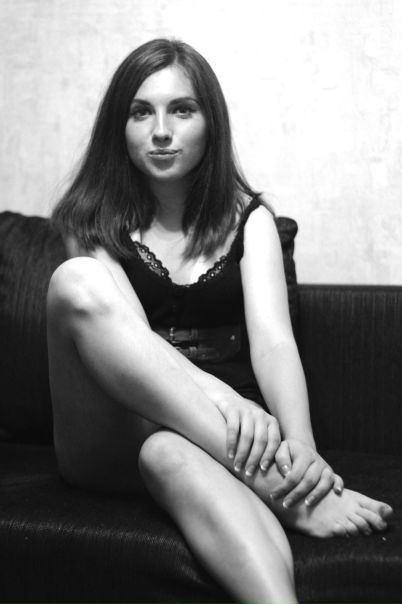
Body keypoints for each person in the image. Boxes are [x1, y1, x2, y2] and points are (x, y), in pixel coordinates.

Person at [47, 38, 392, 604]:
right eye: (141, 112)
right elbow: (133, 339)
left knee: (167, 453)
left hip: (217, 438)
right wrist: (226, 401)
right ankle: (279, 488)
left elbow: (274, 343)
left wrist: (302, 448)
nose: (162, 131)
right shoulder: (89, 220)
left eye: (181, 110)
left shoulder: (250, 220)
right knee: (75, 281)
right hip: (118, 429)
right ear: (119, 127)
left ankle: (284, 513)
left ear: (210, 121)